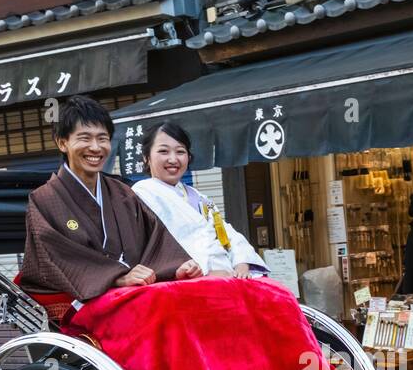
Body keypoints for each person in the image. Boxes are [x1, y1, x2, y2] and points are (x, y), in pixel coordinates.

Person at [19, 96, 200, 301]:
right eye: (85, 138)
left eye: (102, 138)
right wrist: (116, 276)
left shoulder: (122, 193)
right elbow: (55, 258)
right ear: (62, 143)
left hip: (133, 293)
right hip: (81, 302)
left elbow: (155, 238)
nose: (96, 148)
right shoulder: (44, 200)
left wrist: (175, 265)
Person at [133, 122, 268, 278]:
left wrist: (241, 262)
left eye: (180, 152)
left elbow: (226, 232)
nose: (173, 159)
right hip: (187, 278)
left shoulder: (198, 196)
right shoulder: (142, 193)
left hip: (227, 274)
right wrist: (201, 270)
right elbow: (152, 245)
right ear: (146, 158)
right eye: (163, 151)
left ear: (188, 157)